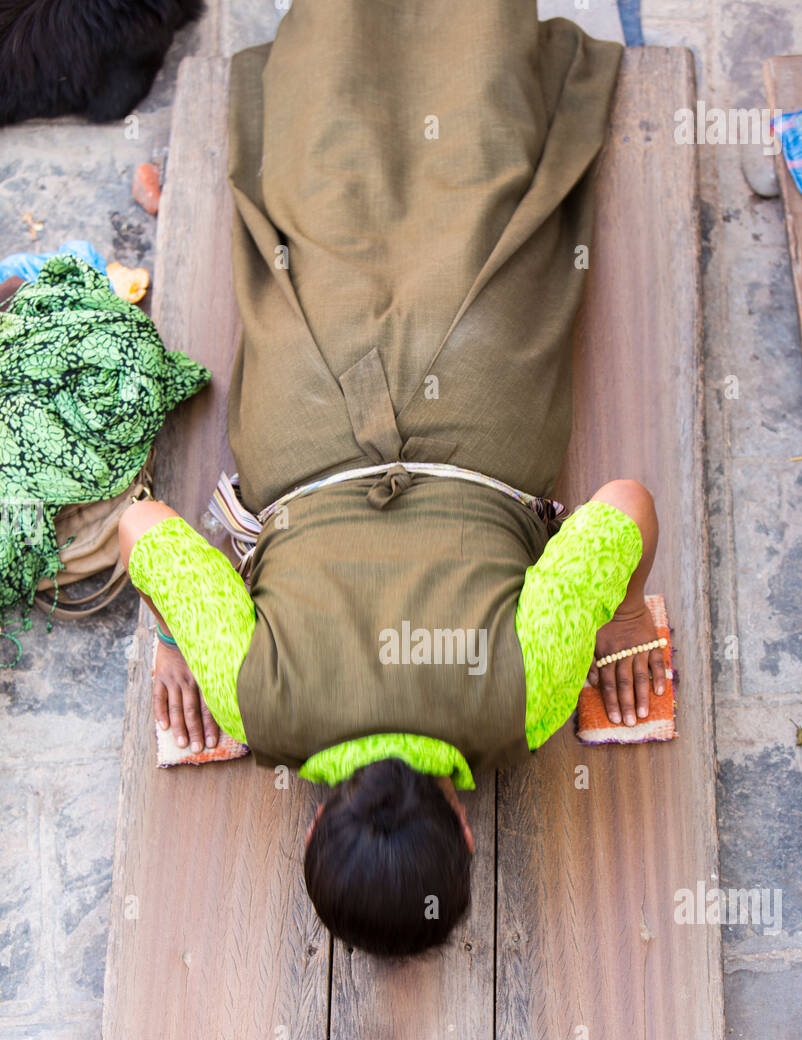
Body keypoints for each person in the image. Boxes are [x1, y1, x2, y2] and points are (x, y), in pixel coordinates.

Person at [119, 0, 665, 957]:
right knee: (333, 193)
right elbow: (140, 530)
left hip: (482, 402)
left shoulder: (525, 700)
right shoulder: (256, 702)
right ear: (314, 822)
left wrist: (619, 627)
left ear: (461, 830)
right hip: (310, 405)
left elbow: (623, 504)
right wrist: (178, 644)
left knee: (481, 183)